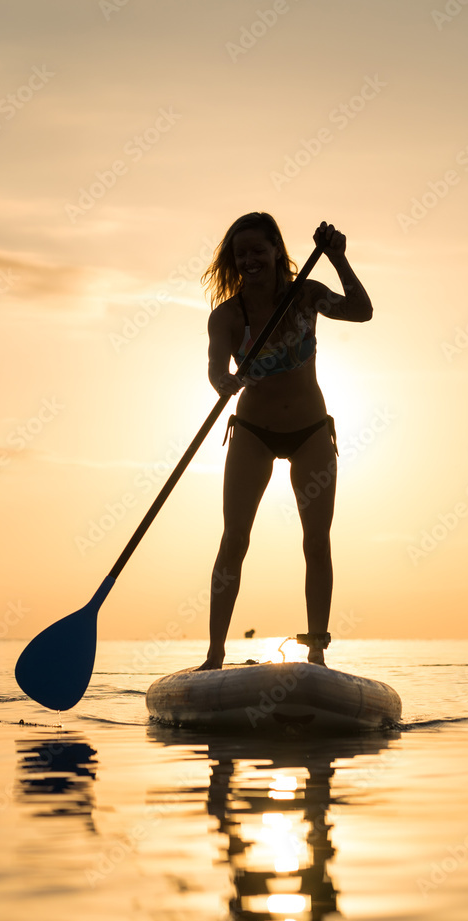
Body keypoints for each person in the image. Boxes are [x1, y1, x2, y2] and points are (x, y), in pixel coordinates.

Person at [197, 212, 372, 671]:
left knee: (316, 540)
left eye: (258, 250)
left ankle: (315, 651)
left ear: (277, 250)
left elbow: (362, 310)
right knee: (234, 539)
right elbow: (216, 365)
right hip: (253, 433)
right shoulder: (228, 317)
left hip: (311, 431)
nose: (250, 260)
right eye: (241, 254)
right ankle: (214, 656)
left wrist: (338, 258)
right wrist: (223, 382)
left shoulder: (305, 297)